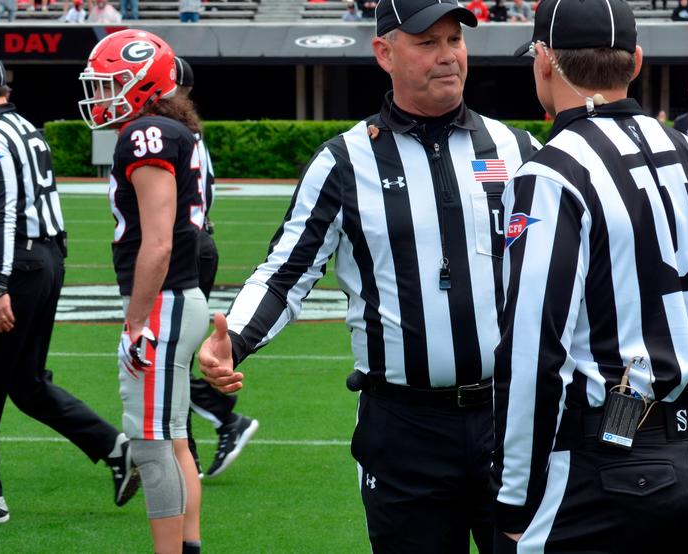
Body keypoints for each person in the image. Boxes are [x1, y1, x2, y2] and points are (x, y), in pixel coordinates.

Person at [197, 0, 540, 551]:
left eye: (455, 40)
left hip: (512, 418)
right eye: (428, 43)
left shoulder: (517, 149)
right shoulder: (344, 161)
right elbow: (285, 273)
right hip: (404, 426)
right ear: (384, 52)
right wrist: (234, 339)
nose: (448, 56)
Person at [493, 1, 688, 551]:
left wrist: (514, 497)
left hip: (597, 466)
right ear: (635, 62)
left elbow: (533, 348)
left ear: (542, 61)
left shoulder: (552, 173)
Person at [0, 50, 140, 524]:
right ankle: (115, 448)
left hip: (19, 268)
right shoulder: (26, 127)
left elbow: (4, 208)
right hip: (46, 260)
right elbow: (30, 201)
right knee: (25, 382)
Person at [79, 29, 208, 554]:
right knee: (174, 440)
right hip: (180, 298)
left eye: (112, 84)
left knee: (151, 446)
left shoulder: (146, 134)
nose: (102, 96)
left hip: (165, 301)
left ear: (144, 83)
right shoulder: (171, 129)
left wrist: (136, 321)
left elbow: (156, 243)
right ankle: (189, 546)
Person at [174, 56, 260, 480]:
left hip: (184, 246)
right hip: (197, 241)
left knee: (164, 357)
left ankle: (218, 424)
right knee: (171, 356)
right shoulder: (188, 130)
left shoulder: (168, 132)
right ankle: (192, 443)